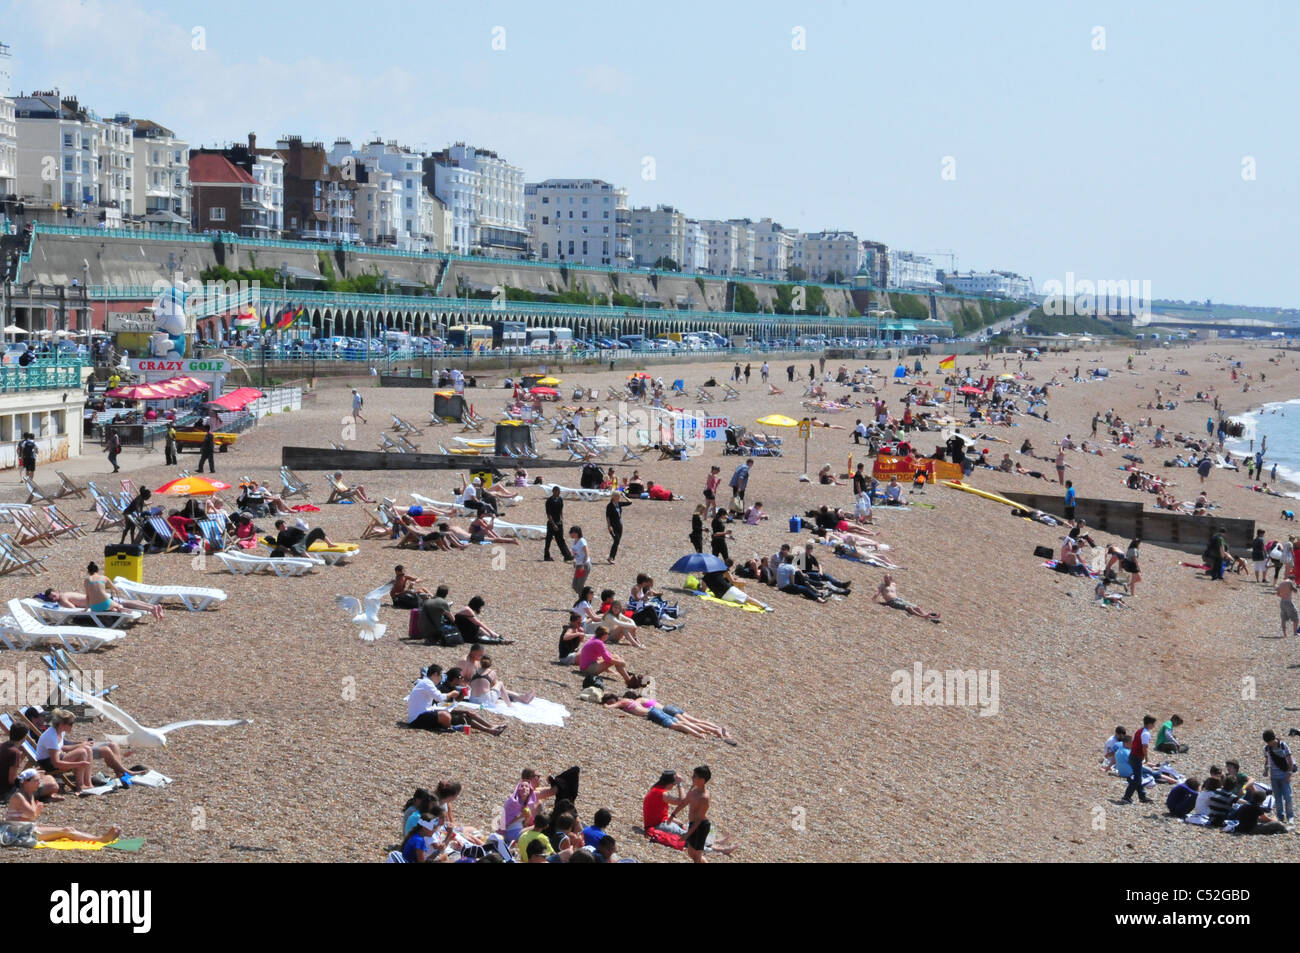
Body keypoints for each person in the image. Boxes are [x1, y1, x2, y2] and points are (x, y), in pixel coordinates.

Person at [3, 770, 123, 847]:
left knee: (67, 829)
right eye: (36, 781)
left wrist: (36, 810)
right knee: (65, 832)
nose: (38, 783)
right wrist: (38, 809)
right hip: (19, 833)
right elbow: (32, 815)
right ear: (25, 783)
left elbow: (32, 817)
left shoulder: (29, 794)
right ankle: (100, 839)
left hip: (27, 829)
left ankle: (99, 838)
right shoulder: (18, 796)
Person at [406, 663, 504, 735]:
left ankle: (491, 727)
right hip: (420, 717)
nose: (441, 678)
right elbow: (439, 699)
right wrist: (452, 695)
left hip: (429, 712)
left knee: (468, 713)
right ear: (435, 674)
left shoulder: (428, 683)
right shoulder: (429, 684)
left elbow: (441, 704)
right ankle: (490, 730)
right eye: (440, 675)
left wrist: (457, 699)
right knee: (459, 716)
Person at [665, 765, 718, 863]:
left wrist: (687, 834)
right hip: (693, 824)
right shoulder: (693, 791)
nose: (692, 778)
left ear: (702, 780)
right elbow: (684, 802)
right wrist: (672, 815)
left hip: (701, 826)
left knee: (696, 856)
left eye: (695, 776)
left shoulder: (704, 797)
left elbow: (699, 818)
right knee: (690, 852)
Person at [82, 561, 164, 620]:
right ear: (97, 571)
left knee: (114, 606)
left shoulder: (86, 580)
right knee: (119, 604)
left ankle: (118, 608)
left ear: (88, 571)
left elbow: (88, 596)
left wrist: (86, 609)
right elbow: (115, 589)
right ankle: (120, 607)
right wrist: (113, 591)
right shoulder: (103, 578)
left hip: (95, 607)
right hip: (106, 602)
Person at [1263, 729, 1295, 826]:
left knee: (1288, 797)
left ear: (1274, 739)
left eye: (1270, 742)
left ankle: (1290, 817)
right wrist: (1266, 770)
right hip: (1274, 776)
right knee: (1277, 798)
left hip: (1284, 775)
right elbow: (1267, 760)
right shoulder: (1267, 748)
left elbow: (1290, 761)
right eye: (1267, 742)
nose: (1269, 744)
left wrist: (1289, 774)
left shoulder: (1283, 746)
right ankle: (1280, 817)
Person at [1121, 715, 1156, 804]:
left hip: (1133, 756)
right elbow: (1144, 747)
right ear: (1150, 724)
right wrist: (1147, 758)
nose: (1154, 726)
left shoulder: (1139, 730)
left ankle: (1142, 796)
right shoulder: (1146, 733)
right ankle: (1126, 797)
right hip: (1136, 757)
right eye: (1153, 724)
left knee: (1138, 777)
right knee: (1137, 779)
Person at [875, 574, 940, 622]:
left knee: (917, 608)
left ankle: (931, 617)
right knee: (909, 608)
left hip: (898, 599)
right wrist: (873, 599)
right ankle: (923, 616)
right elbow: (877, 593)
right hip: (891, 602)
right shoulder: (882, 586)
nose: (885, 580)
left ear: (890, 579)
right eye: (885, 578)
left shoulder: (893, 584)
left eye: (887, 578)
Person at [569, 526, 591, 596]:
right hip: (579, 565)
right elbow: (575, 554)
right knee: (575, 585)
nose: (570, 534)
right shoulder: (575, 541)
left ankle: (585, 600)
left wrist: (583, 565)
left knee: (579, 585)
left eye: (571, 533)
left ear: (576, 533)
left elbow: (586, 554)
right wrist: (575, 560)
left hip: (584, 566)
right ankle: (584, 598)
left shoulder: (582, 541)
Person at [605, 490, 626, 564]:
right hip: (613, 526)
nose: (619, 497)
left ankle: (611, 557)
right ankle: (611, 557)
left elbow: (630, 502)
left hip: (620, 525)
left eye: (619, 496)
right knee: (616, 540)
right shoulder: (610, 506)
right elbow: (607, 516)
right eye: (618, 496)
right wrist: (609, 526)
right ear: (613, 497)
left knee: (617, 542)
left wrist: (624, 496)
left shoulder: (619, 504)